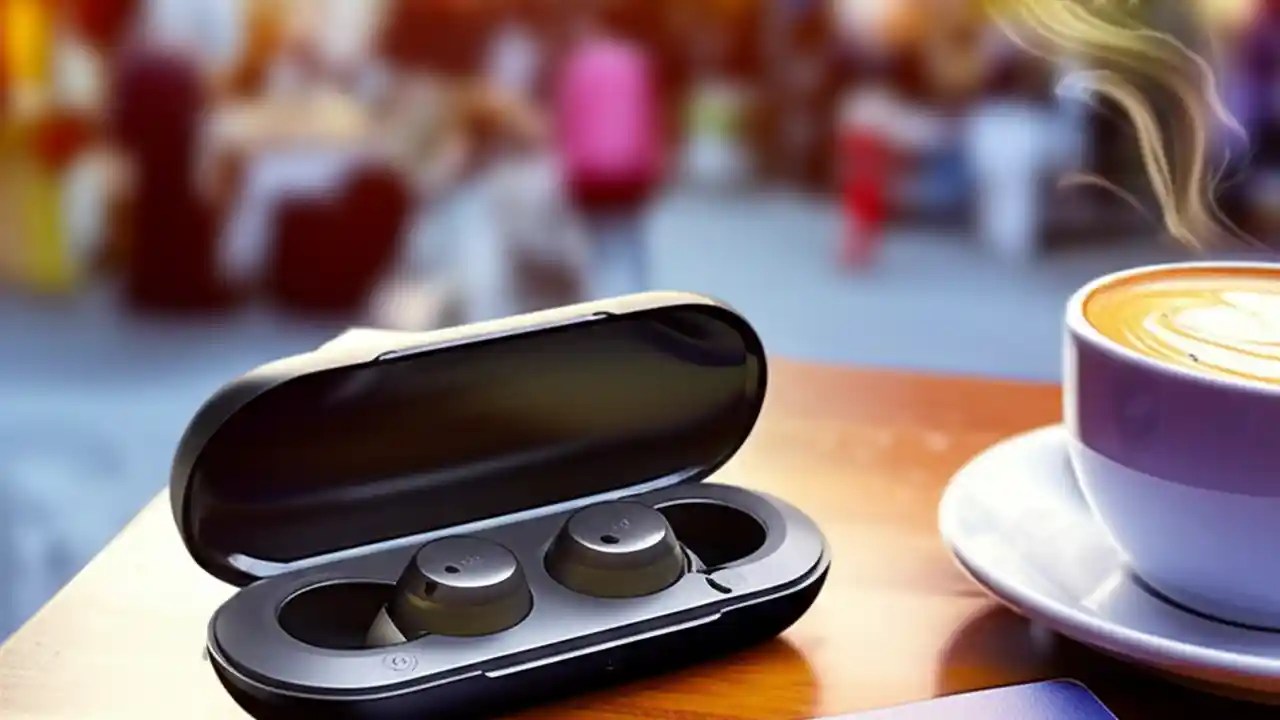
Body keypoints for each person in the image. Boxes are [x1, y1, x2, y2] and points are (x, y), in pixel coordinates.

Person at [554, 7, 662, 300]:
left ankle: (596, 305)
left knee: (594, 244)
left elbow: (567, 120)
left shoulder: (577, 64)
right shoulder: (636, 62)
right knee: (630, 240)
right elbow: (648, 116)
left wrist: (565, 167)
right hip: (631, 168)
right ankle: (642, 301)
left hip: (589, 171)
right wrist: (653, 162)